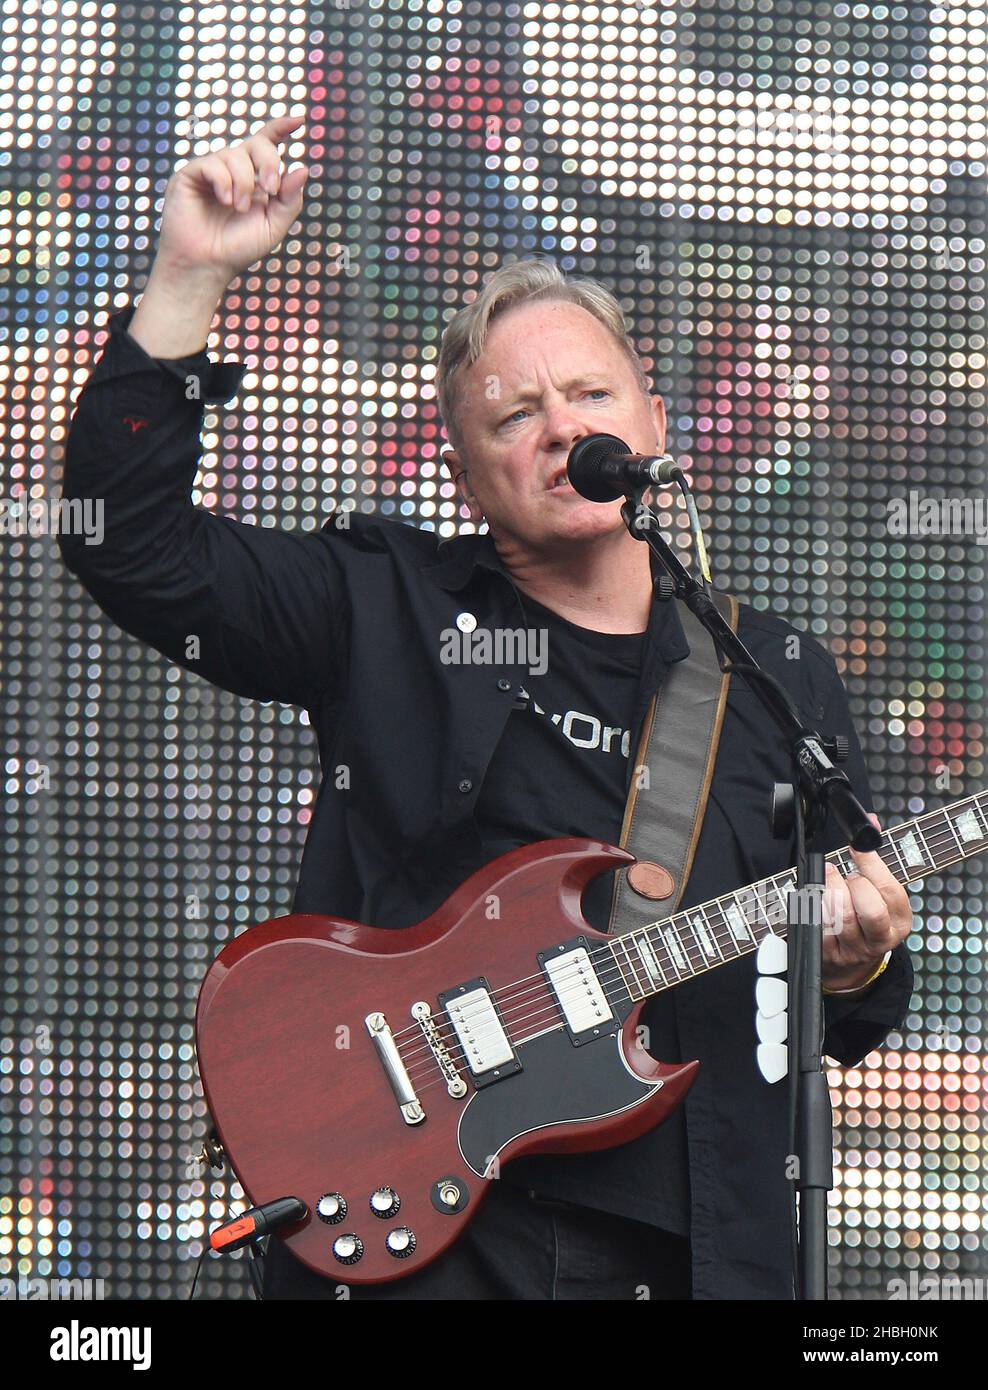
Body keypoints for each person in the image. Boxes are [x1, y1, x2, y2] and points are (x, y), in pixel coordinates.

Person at [58, 115, 915, 1300]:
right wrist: (190, 275)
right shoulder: (384, 604)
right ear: (463, 471)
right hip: (427, 1231)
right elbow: (135, 551)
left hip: (694, 1240)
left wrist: (859, 964)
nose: (563, 427)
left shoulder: (772, 671)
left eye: (588, 393)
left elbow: (842, 1003)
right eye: (517, 415)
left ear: (653, 426)